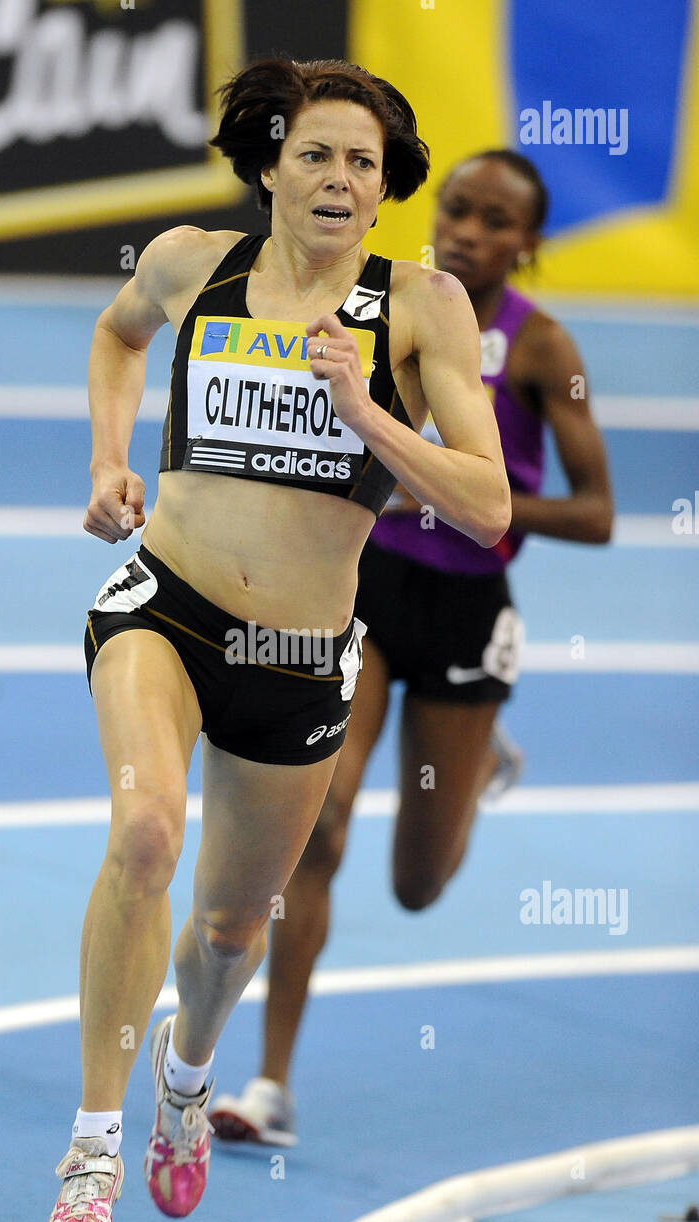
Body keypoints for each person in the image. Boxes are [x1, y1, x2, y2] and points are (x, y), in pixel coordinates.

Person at [42, 60, 511, 1222]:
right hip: (168, 606)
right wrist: (106, 461)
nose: (339, 179)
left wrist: (368, 415)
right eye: (316, 154)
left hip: (299, 658)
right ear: (269, 164)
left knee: (234, 928)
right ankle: (91, 1152)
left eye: (362, 161)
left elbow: (486, 505)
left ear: (384, 183)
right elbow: (115, 334)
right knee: (146, 834)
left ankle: (185, 1079)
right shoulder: (194, 262)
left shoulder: (421, 309)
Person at [209, 149, 613, 1148]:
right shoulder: (387, 304)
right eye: (457, 211)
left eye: (494, 221)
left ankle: (474, 769)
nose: (470, 232)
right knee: (322, 823)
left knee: (416, 886)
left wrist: (490, 505)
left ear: (527, 244)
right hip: (370, 591)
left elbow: (601, 512)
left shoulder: (538, 347)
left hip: (469, 619)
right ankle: (269, 1083)